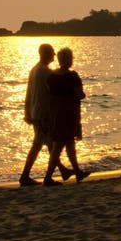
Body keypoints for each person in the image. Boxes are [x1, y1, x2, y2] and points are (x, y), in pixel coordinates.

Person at [19, 44, 73, 186]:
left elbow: (28, 93)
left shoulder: (34, 69)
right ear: (46, 54)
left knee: (46, 144)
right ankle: (30, 176)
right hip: (43, 113)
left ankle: (62, 170)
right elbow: (53, 91)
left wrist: (27, 112)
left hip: (35, 111)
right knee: (44, 145)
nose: (53, 56)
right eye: (52, 53)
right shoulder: (45, 72)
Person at [43, 47, 88, 186]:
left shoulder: (51, 77)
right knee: (61, 145)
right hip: (69, 112)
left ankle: (77, 171)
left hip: (56, 113)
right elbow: (80, 94)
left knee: (67, 143)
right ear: (69, 60)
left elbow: (49, 93)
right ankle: (48, 177)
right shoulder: (72, 76)